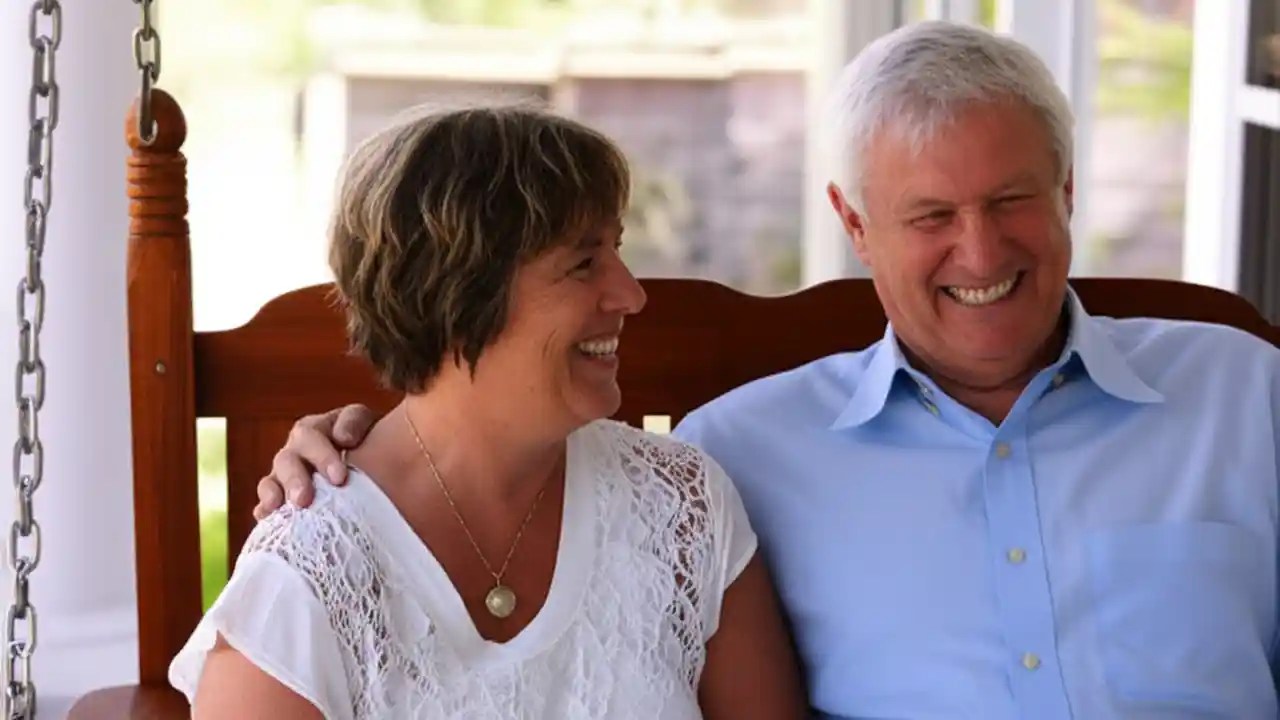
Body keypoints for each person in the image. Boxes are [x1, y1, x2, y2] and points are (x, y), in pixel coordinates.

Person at [257, 21, 1280, 720]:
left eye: (1011, 201)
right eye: (929, 216)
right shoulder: (740, 451)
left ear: (1063, 190)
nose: (979, 254)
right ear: (852, 225)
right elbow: (458, 445)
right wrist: (356, 456)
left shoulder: (1245, 395)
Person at [167, 103, 807, 719]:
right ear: (456, 293)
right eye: (584, 264)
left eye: (617, 249)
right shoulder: (308, 573)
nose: (631, 294)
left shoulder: (683, 508)